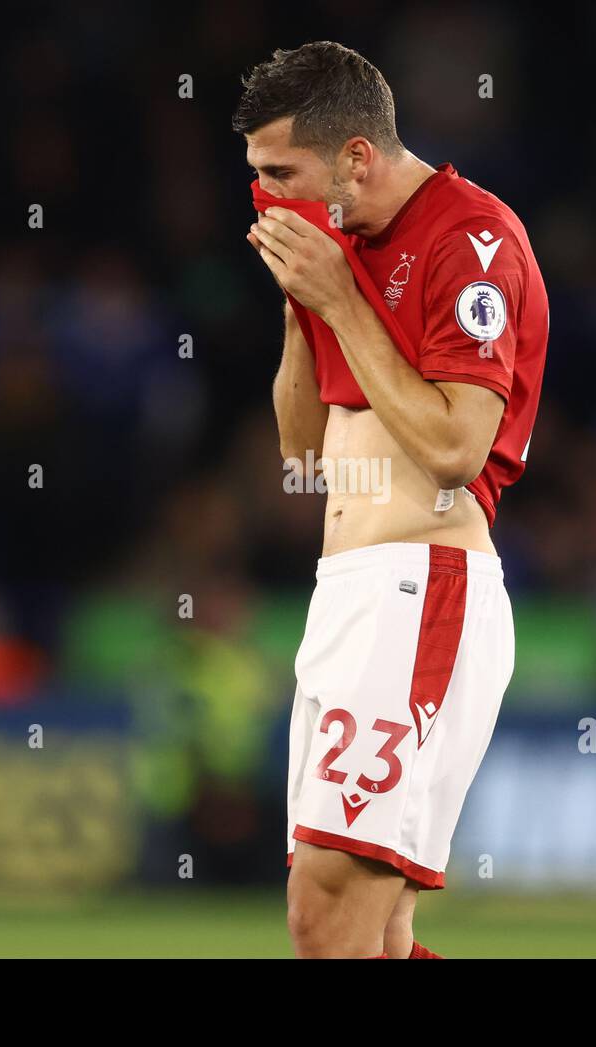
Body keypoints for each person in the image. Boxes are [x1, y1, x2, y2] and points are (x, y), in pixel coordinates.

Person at [234, 40, 548, 958]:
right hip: (355, 593)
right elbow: (301, 454)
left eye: (282, 172)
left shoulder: (470, 237)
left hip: (423, 587)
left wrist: (343, 298)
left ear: (356, 157)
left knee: (327, 922)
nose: (266, 195)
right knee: (372, 934)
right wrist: (305, 303)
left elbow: (456, 448)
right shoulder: (344, 253)